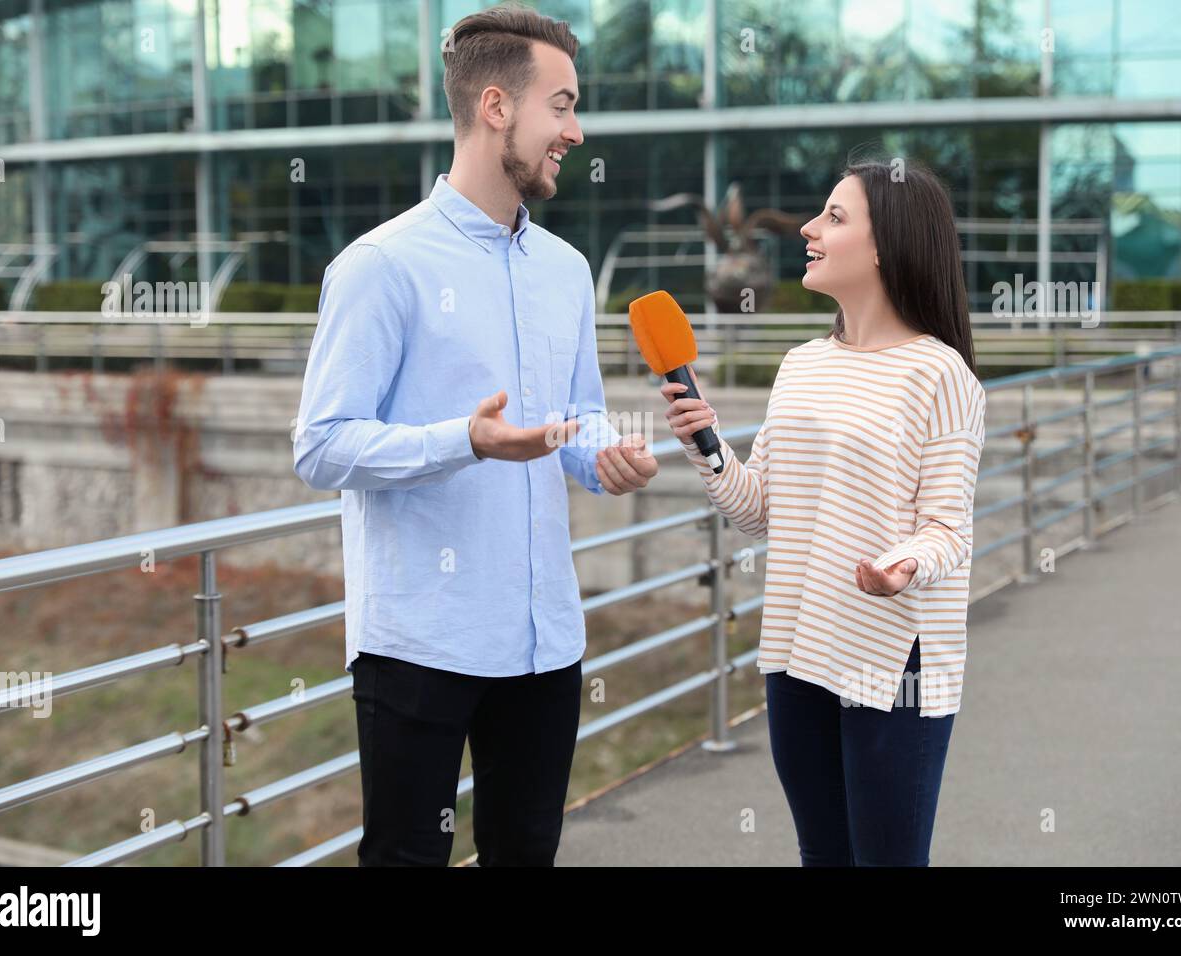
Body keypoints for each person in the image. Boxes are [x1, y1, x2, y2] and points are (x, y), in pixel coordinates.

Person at [293, 3, 658, 867]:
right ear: (496, 107)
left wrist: (606, 458)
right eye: (561, 105)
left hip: (545, 641)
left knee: (527, 854)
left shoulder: (568, 272)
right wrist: (463, 440)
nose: (576, 129)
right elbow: (320, 445)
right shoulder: (380, 266)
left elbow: (576, 419)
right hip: (422, 642)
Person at [661, 160, 986, 866]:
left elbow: (949, 528)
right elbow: (759, 510)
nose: (808, 229)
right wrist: (708, 449)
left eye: (834, 218)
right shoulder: (803, 362)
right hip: (796, 654)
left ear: (885, 245)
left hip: (893, 662)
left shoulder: (941, 375)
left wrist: (904, 566)